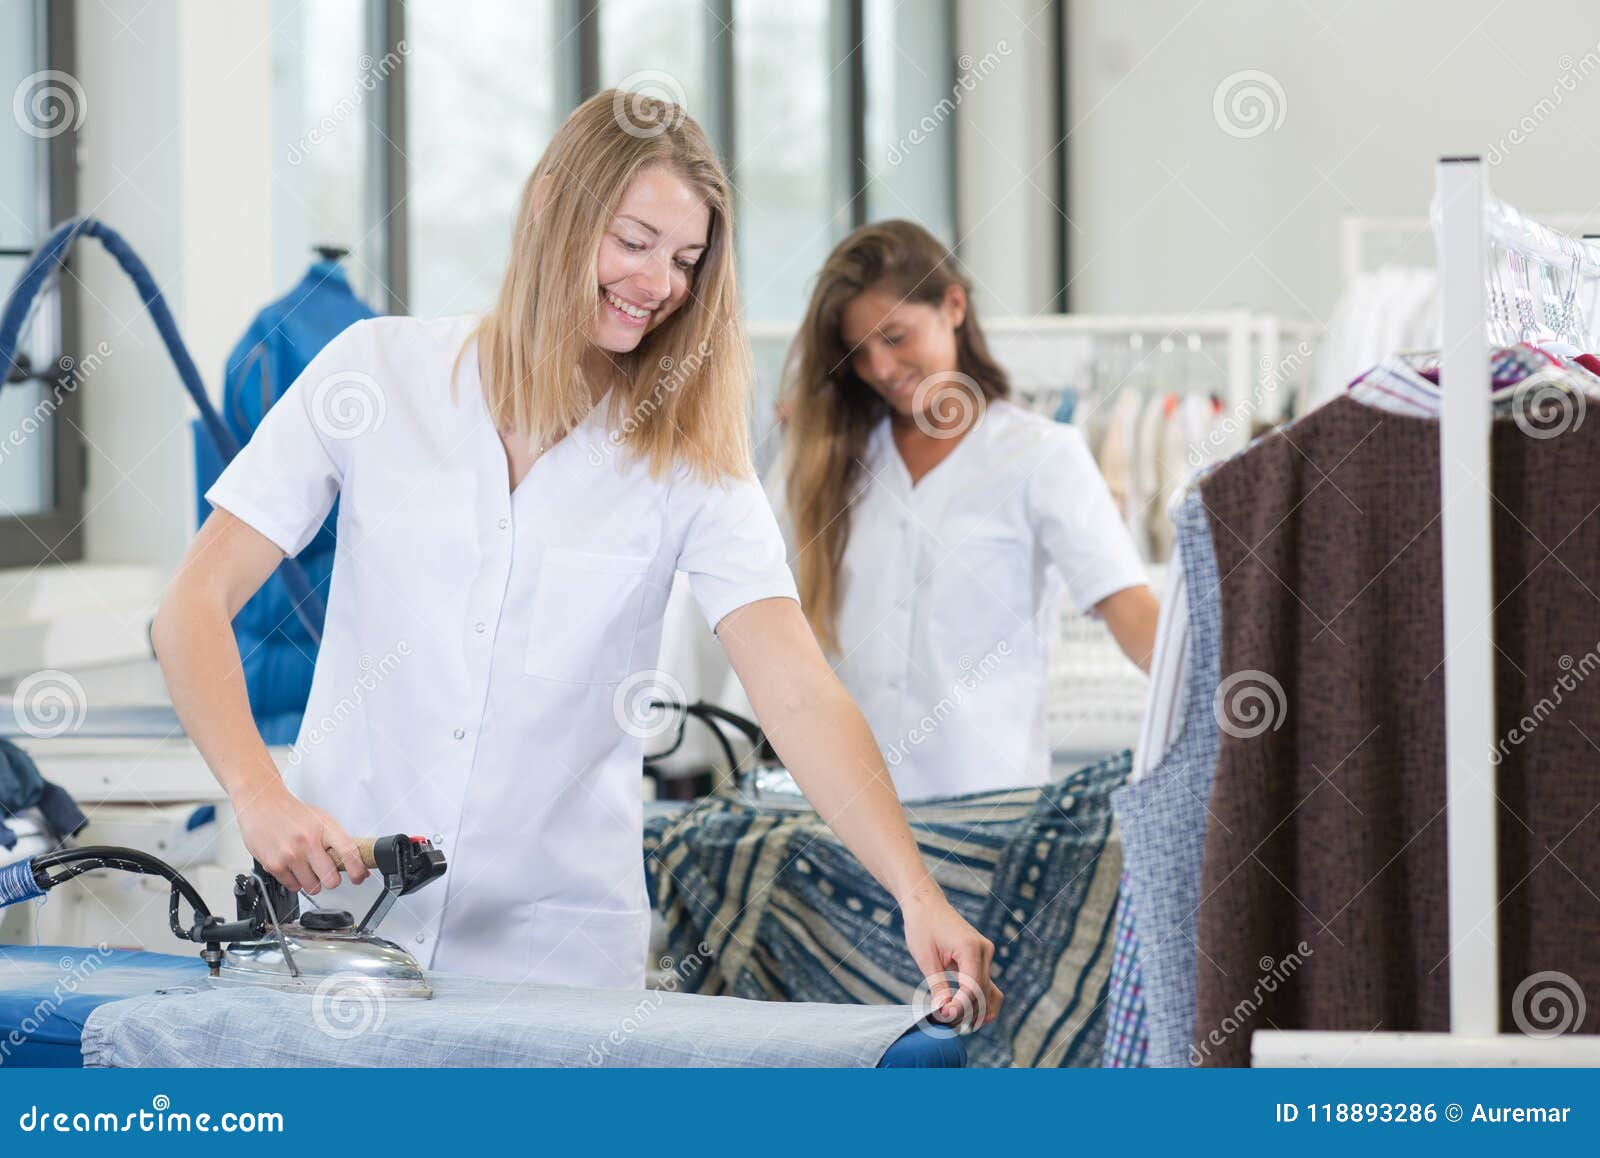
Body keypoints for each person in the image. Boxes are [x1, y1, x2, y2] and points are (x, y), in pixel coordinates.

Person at [152, 93, 998, 1024]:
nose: (659, 282)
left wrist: (915, 891)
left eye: (685, 260)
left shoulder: (689, 459)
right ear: (553, 202)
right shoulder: (373, 375)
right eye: (634, 241)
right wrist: (260, 796)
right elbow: (190, 609)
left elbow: (795, 689)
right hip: (335, 933)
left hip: (552, 967)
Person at [777, 219, 1160, 801]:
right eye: (859, 352)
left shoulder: (1040, 455)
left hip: (987, 815)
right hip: (848, 816)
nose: (879, 368)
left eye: (896, 337)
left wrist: (1232, 705)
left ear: (952, 305)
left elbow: (1129, 610)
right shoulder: (830, 466)